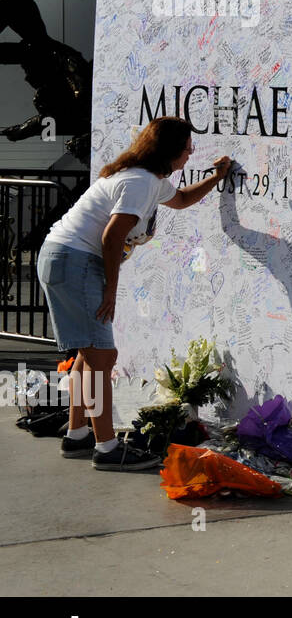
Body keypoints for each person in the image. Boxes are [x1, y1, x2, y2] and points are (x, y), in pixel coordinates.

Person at [36, 117, 232, 470]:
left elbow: (184, 198)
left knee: (88, 353)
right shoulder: (140, 181)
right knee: (102, 357)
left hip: (63, 258)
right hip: (75, 261)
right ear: (172, 148)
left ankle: (77, 434)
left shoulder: (150, 179)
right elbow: (112, 237)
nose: (191, 151)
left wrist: (217, 178)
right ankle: (107, 448)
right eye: (188, 145)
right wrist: (111, 289)